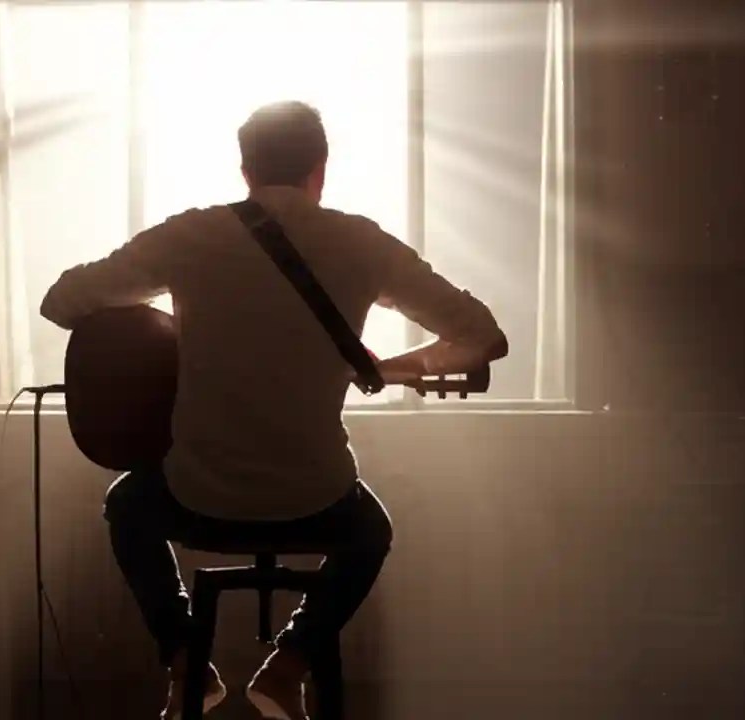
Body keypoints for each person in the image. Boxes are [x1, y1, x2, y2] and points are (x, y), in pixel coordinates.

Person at [40, 100, 508, 720]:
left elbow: (62, 301)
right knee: (371, 532)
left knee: (126, 507)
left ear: (246, 170)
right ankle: (288, 668)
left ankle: (186, 666)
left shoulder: (193, 235)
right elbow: (483, 336)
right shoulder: (361, 242)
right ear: (320, 170)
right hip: (317, 498)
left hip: (197, 495)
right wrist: (396, 367)